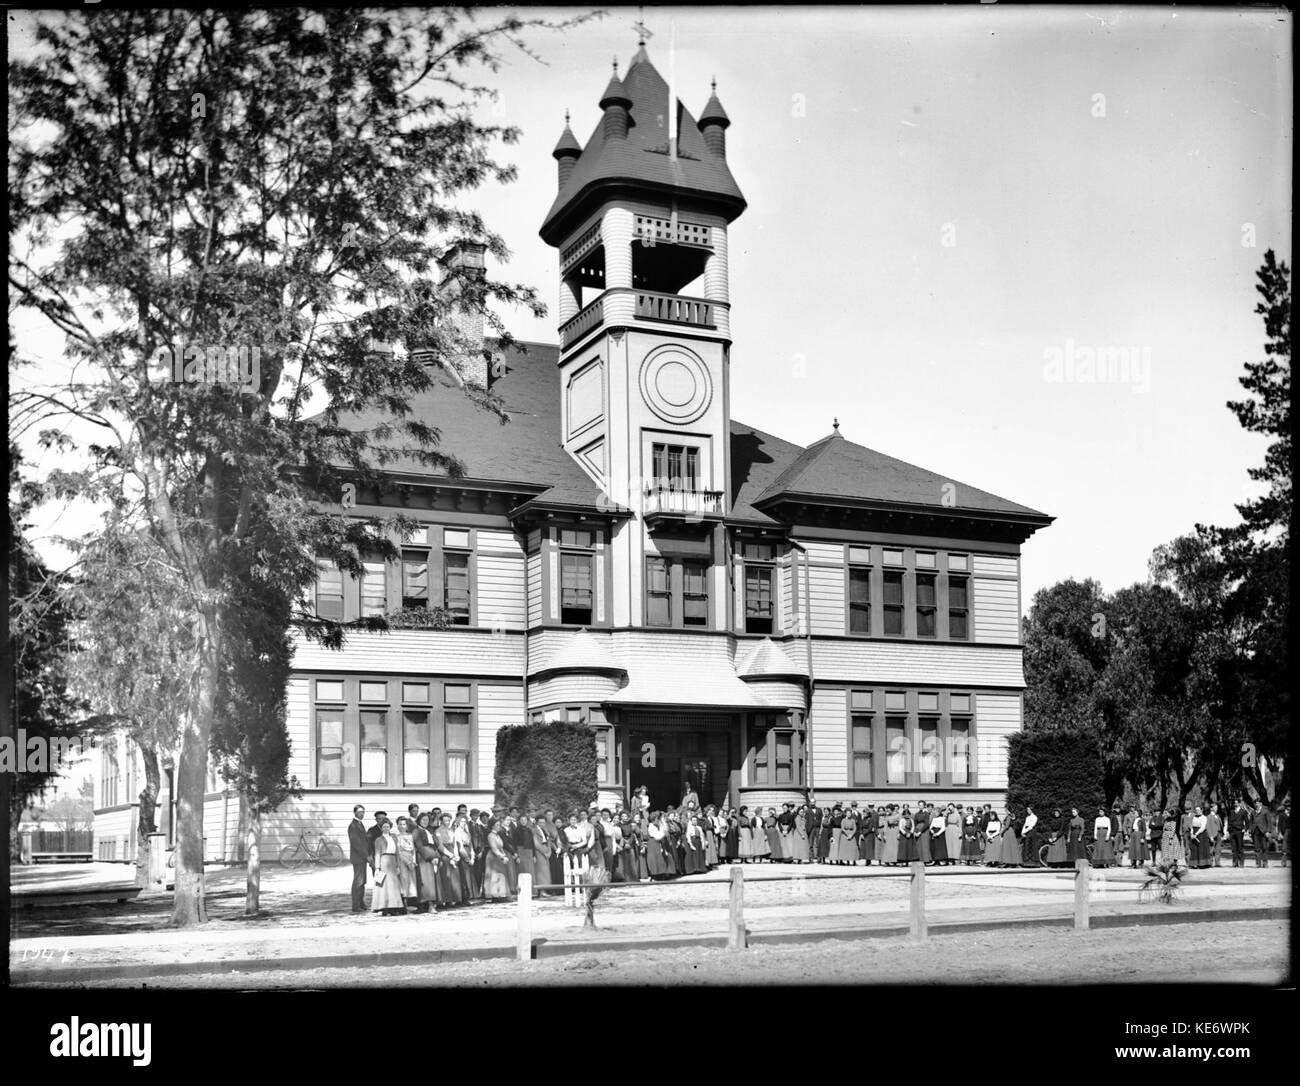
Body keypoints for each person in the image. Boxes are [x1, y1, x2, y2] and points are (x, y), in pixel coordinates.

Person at [372, 818, 406, 916]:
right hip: (384, 862)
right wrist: (377, 868)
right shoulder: (378, 840)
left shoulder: (394, 838)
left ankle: (394, 906)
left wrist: (398, 866)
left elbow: (397, 853)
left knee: (394, 886)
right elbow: (377, 854)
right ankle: (385, 907)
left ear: (390, 827)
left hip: (393, 861)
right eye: (384, 827)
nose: (386, 828)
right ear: (381, 828)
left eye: (388, 826)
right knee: (385, 886)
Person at [412, 812, 440, 913]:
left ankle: (430, 904)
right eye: (423, 820)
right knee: (426, 882)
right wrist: (431, 857)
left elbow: (435, 845)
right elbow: (419, 847)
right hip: (423, 858)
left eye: (427, 820)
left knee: (431, 881)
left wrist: (436, 856)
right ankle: (428, 905)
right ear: (419, 820)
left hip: (431, 856)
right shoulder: (416, 831)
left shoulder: (428, 831)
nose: (425, 822)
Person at [482, 817, 513, 901]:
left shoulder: (498, 835)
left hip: (499, 857)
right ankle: (495, 895)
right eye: (497, 825)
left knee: (501, 875)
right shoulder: (491, 836)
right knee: (494, 875)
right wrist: (501, 856)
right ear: (492, 826)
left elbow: (501, 847)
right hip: (493, 857)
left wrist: (504, 855)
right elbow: (494, 848)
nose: (499, 826)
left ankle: (501, 894)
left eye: (499, 825)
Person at [348, 804, 370, 913]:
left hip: (362, 858)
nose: (362, 814)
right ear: (355, 812)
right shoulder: (353, 825)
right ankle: (355, 905)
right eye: (360, 812)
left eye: (363, 812)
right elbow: (357, 843)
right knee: (358, 881)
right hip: (358, 858)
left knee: (362, 881)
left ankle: (361, 903)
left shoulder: (360, 824)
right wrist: (366, 856)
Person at [1250, 800, 1270, 867]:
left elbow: (1269, 822)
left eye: (1258, 803)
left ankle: (1265, 863)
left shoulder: (1265, 811)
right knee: (1256, 848)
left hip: (1263, 832)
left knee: (1264, 847)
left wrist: (1268, 831)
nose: (1256, 805)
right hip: (1255, 832)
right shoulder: (1252, 812)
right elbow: (1250, 822)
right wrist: (1250, 831)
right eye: (1255, 803)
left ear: (1261, 804)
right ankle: (1258, 863)